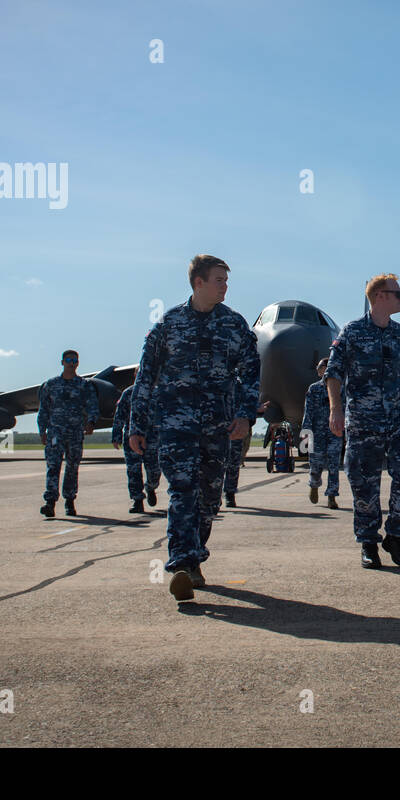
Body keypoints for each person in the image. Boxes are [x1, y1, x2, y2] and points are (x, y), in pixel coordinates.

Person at [129, 255, 261, 601]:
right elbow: (145, 376)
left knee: (209, 499)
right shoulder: (168, 324)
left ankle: (194, 556)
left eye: (226, 280)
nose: (225, 286)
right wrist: (136, 424)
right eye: (219, 280)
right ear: (198, 282)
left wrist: (245, 416)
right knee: (182, 491)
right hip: (175, 425)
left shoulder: (234, 325)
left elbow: (250, 372)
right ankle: (183, 565)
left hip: (218, 426)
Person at [326, 273, 400, 569]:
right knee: (364, 483)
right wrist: (336, 410)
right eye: (397, 294)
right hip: (364, 421)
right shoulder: (352, 332)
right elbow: (333, 373)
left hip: (398, 419)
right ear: (380, 296)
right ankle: (368, 542)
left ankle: (396, 535)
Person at [37, 349, 99, 518]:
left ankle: (69, 500)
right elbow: (43, 409)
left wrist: (91, 422)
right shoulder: (50, 385)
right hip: (55, 432)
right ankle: (50, 503)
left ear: (77, 363)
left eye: (74, 360)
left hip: (75, 432)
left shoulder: (84, 385)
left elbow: (92, 405)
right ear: (62, 362)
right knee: (53, 467)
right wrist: (42, 430)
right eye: (68, 360)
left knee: (72, 467)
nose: (71, 363)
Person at [112, 382, 160, 513]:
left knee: (155, 470)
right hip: (132, 437)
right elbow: (119, 415)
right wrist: (116, 435)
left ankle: (151, 487)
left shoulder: (158, 392)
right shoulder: (128, 393)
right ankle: (137, 500)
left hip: (153, 438)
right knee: (133, 470)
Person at [300, 358, 341, 509]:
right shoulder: (313, 389)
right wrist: (305, 435)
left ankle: (332, 496)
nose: (322, 370)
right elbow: (308, 413)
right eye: (321, 368)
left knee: (334, 465)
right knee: (315, 465)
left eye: (325, 367)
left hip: (334, 432)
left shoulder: (339, 388)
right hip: (316, 433)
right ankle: (314, 485)